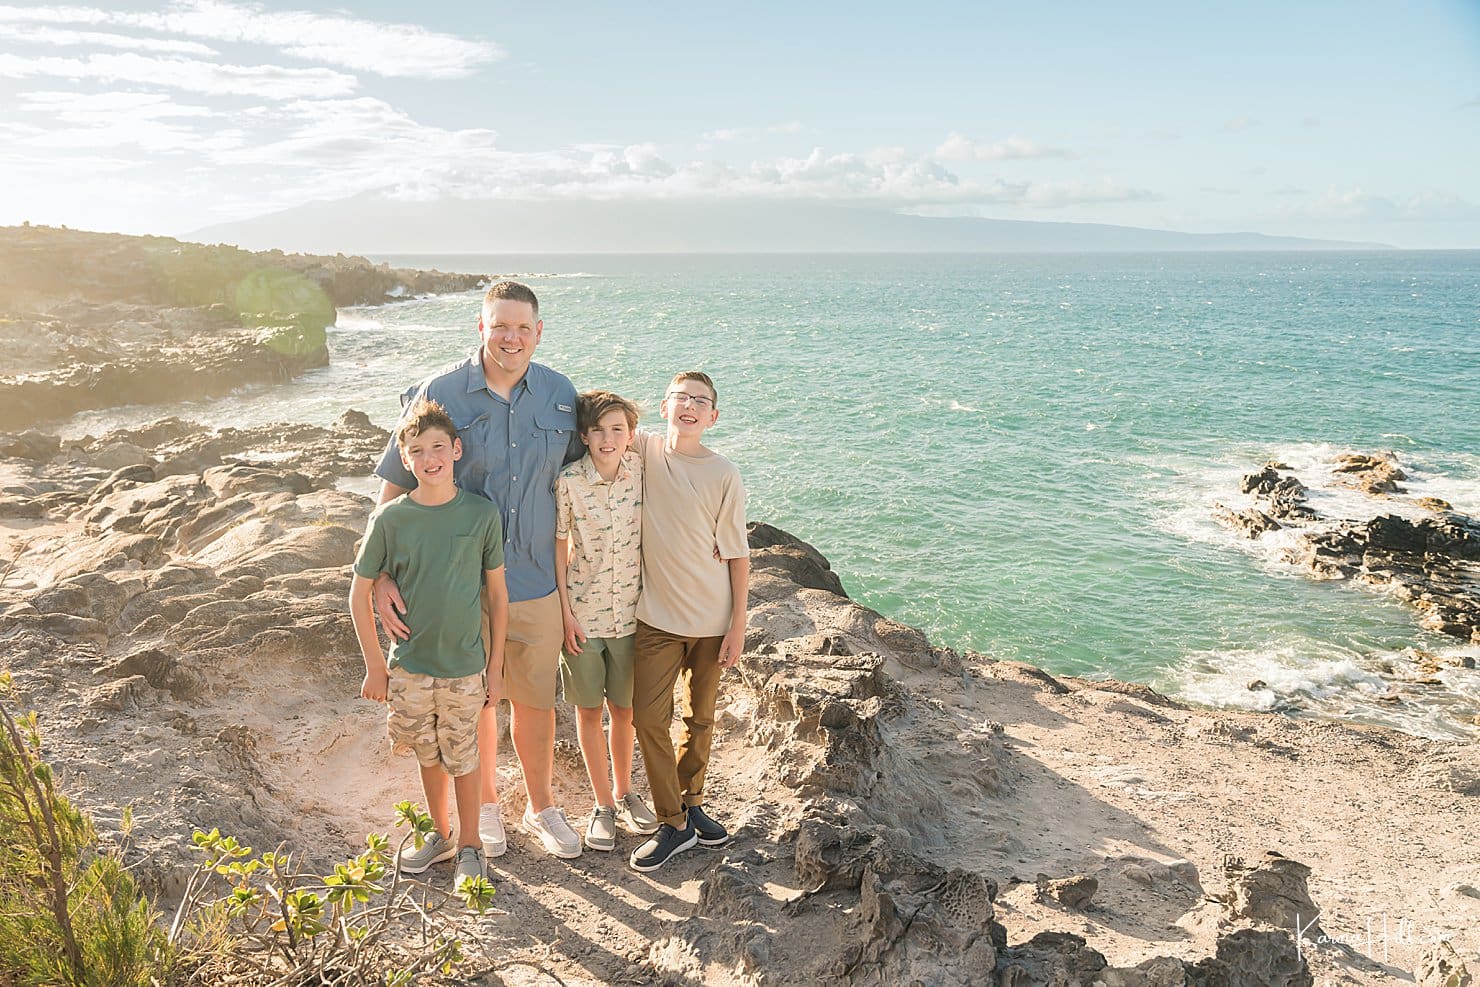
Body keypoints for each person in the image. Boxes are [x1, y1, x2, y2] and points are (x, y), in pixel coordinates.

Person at [372, 281, 586, 860]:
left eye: (523, 327)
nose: (511, 338)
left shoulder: (561, 396)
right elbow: (396, 487)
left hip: (538, 580)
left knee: (537, 704)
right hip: (461, 591)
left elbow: (585, 479)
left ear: (539, 332)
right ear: (481, 326)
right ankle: (485, 806)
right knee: (477, 704)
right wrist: (383, 577)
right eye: (500, 326)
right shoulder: (438, 393)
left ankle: (542, 807)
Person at [350, 397, 509, 889]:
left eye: (438, 446)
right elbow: (358, 596)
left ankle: (470, 845)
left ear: (456, 450)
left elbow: (498, 598)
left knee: (464, 755)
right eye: (417, 450)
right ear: (405, 459)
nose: (429, 457)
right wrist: (376, 667)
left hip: (464, 664)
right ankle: (439, 835)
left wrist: (496, 668)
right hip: (411, 666)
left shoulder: (481, 514)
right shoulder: (391, 519)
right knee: (427, 752)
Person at [628, 371, 750, 873]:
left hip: (712, 619)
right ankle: (672, 822)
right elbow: (591, 420)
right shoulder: (646, 450)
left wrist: (738, 623)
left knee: (700, 719)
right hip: (655, 618)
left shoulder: (725, 473)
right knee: (649, 720)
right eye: (681, 397)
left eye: (702, 401)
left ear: (714, 417)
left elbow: (738, 554)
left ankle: (693, 802)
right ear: (663, 406)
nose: (691, 406)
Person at [555, 390, 661, 851]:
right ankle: (602, 805)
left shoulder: (639, 471)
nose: (607, 438)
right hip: (583, 615)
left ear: (631, 435)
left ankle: (624, 791)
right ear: (583, 435)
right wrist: (563, 615)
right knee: (588, 712)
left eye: (617, 429)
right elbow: (559, 549)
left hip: (631, 617)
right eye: (597, 429)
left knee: (625, 712)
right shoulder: (568, 483)